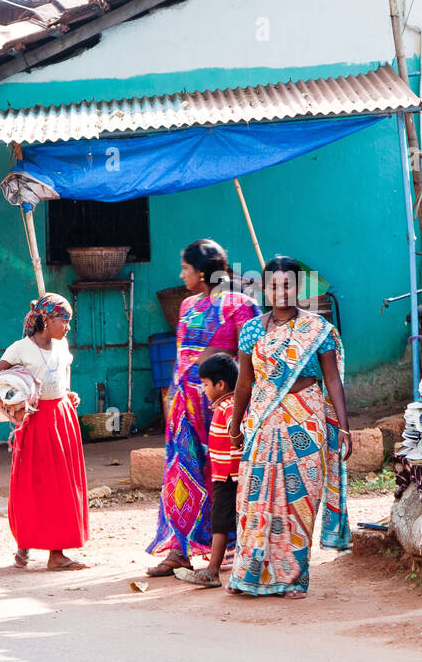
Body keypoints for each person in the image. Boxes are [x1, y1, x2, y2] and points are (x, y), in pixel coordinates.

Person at [228, 255, 352, 598]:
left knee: (300, 499)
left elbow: (333, 380)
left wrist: (344, 427)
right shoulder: (251, 330)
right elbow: (243, 384)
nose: (281, 292)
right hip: (262, 422)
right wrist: (235, 425)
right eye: (274, 285)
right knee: (254, 500)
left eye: (288, 285)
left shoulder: (318, 331)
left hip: (305, 423)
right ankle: (248, 573)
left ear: (299, 288)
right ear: (265, 288)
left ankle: (293, 577)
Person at [146, 240, 258, 577]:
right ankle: (179, 549)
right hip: (184, 409)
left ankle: (231, 545)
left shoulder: (242, 305)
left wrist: (241, 408)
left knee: (225, 476)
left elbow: (250, 361)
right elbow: (182, 355)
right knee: (182, 476)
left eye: (186, 268)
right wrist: (172, 398)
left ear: (204, 271)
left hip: (223, 409)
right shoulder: (187, 306)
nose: (181, 275)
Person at [0, 294, 89, 571]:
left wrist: (69, 395)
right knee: (33, 484)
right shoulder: (19, 349)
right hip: (36, 422)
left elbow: (60, 381)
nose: (67, 326)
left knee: (62, 486)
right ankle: (25, 545)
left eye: (69, 321)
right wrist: (12, 408)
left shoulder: (62, 345)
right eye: (63, 320)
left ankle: (57, 553)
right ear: (45, 320)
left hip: (63, 419)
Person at [175, 352, 239, 589]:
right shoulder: (225, 405)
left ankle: (213, 570)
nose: (202, 390)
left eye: (205, 385)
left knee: (221, 522)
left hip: (230, 476)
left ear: (220, 385)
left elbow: (237, 432)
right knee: (229, 521)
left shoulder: (229, 407)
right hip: (227, 474)